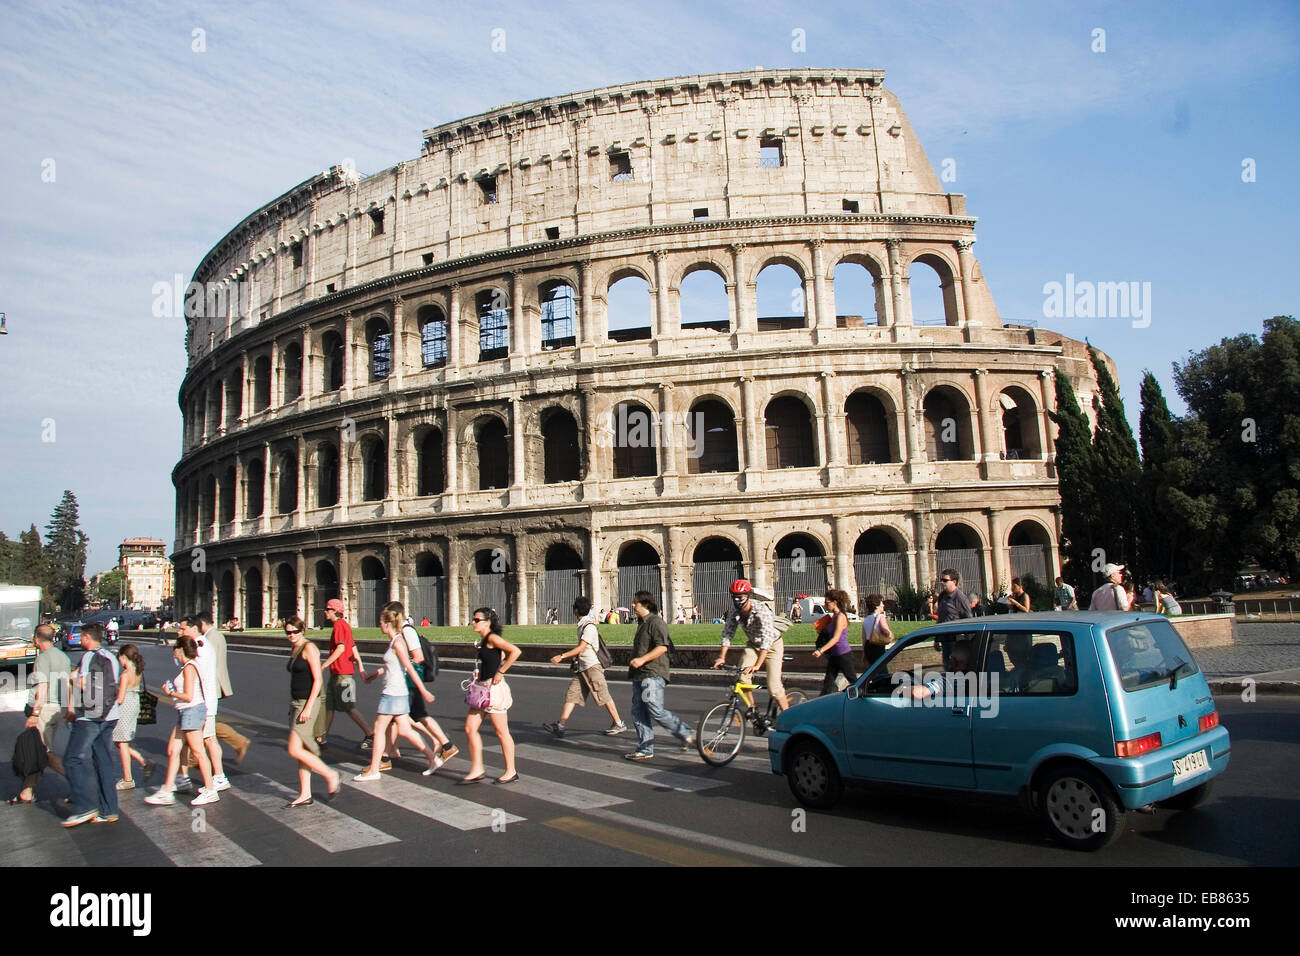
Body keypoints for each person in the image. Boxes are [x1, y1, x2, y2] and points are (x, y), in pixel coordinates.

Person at [354, 608, 441, 781]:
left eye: (380, 623)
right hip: (397, 692)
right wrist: (374, 674)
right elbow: (394, 667)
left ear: (387, 624)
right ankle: (433, 758)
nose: (379, 626)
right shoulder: (395, 641)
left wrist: (423, 691)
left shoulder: (398, 643)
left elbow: (409, 667)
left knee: (379, 729)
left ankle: (374, 770)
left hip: (393, 693)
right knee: (405, 729)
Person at [144, 634, 219, 807]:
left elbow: (188, 695)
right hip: (185, 712)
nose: (173, 654)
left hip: (192, 711)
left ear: (180, 650)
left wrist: (170, 693)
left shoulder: (189, 667)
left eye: (174, 650)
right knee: (173, 749)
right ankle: (167, 790)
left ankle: (210, 790)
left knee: (198, 751)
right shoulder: (187, 667)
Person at [62, 623, 124, 826]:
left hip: (91, 717)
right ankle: (109, 810)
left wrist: (73, 680)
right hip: (110, 716)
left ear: (87, 637)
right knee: (104, 762)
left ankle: (84, 806)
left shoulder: (89, 657)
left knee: (72, 759)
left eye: (82, 637)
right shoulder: (112, 657)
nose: (80, 641)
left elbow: (84, 684)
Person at [385, 601, 458, 767]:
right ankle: (389, 754)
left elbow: (418, 657)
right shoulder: (401, 632)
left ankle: (444, 745)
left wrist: (403, 663)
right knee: (399, 718)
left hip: (410, 681)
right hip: (405, 681)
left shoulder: (407, 631)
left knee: (415, 716)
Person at [542, 596, 627, 737]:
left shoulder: (589, 627)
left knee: (603, 695)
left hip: (592, 666)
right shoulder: (583, 625)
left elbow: (581, 647)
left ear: (575, 610)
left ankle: (618, 723)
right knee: (572, 695)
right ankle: (561, 725)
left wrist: (562, 656)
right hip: (582, 668)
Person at [626, 591, 694, 760]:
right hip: (640, 674)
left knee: (655, 709)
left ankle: (684, 731)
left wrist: (641, 660)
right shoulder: (642, 623)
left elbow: (662, 647)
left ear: (645, 604)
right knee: (638, 712)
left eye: (635, 603)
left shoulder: (656, 622)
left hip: (653, 673)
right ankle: (645, 748)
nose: (633, 605)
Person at [282, 616, 341, 807]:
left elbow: (318, 680)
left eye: (295, 632)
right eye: (288, 632)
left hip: (308, 703)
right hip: (296, 702)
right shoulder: (295, 648)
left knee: (294, 748)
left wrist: (307, 708)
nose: (291, 635)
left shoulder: (309, 648)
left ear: (303, 631)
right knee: (302, 750)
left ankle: (330, 775)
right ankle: (305, 793)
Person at [460, 607, 521, 784]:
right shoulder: (484, 639)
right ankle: (477, 768)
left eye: (477, 620)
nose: (473, 622)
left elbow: (515, 651)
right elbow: (499, 655)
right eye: (474, 619)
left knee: (502, 732)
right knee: (470, 728)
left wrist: (500, 671)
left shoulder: (492, 638)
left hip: (493, 691)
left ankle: (511, 770)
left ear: (487, 622)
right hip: (481, 690)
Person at [12, 625, 70, 805]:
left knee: (44, 753)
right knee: (38, 750)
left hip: (45, 710)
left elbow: (42, 689)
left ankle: (79, 783)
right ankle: (27, 792)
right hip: (58, 708)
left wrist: (35, 714)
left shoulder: (43, 659)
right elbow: (67, 685)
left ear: (37, 639)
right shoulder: (63, 657)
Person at [711, 579, 789, 711]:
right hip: (753, 644)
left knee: (774, 688)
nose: (737, 600)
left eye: (740, 597)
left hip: (772, 646)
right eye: (734, 597)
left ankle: (788, 714)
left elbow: (767, 640)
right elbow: (727, 634)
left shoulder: (761, 610)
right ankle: (752, 708)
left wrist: (757, 665)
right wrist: (721, 657)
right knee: (742, 678)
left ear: (747, 596)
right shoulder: (734, 611)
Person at [317, 598, 372, 745]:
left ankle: (370, 733)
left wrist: (324, 665)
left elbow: (341, 648)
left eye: (328, 609)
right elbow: (353, 647)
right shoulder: (343, 625)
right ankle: (321, 738)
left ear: (335, 611)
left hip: (342, 673)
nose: (325, 612)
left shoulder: (339, 626)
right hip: (338, 672)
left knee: (348, 706)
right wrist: (360, 666)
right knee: (329, 706)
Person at [112, 643, 155, 791]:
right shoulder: (137, 671)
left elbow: (120, 698)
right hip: (134, 704)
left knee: (122, 743)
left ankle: (128, 778)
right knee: (120, 741)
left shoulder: (125, 675)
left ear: (123, 657)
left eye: (119, 658)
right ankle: (143, 761)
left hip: (124, 708)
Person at [811, 589, 857, 696]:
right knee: (828, 682)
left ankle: (863, 701)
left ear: (835, 602)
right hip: (834, 655)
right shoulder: (833, 617)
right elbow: (830, 635)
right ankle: (821, 705)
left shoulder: (840, 617)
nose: (825, 605)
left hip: (843, 655)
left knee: (854, 682)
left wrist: (821, 650)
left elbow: (836, 638)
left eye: (827, 603)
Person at [859, 593, 894, 676]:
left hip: (868, 647)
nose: (883, 605)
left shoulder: (866, 619)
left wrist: (864, 653)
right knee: (882, 670)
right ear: (877, 606)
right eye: (881, 603)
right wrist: (890, 635)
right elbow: (886, 631)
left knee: (873, 671)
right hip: (877, 647)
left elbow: (864, 637)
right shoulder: (880, 617)